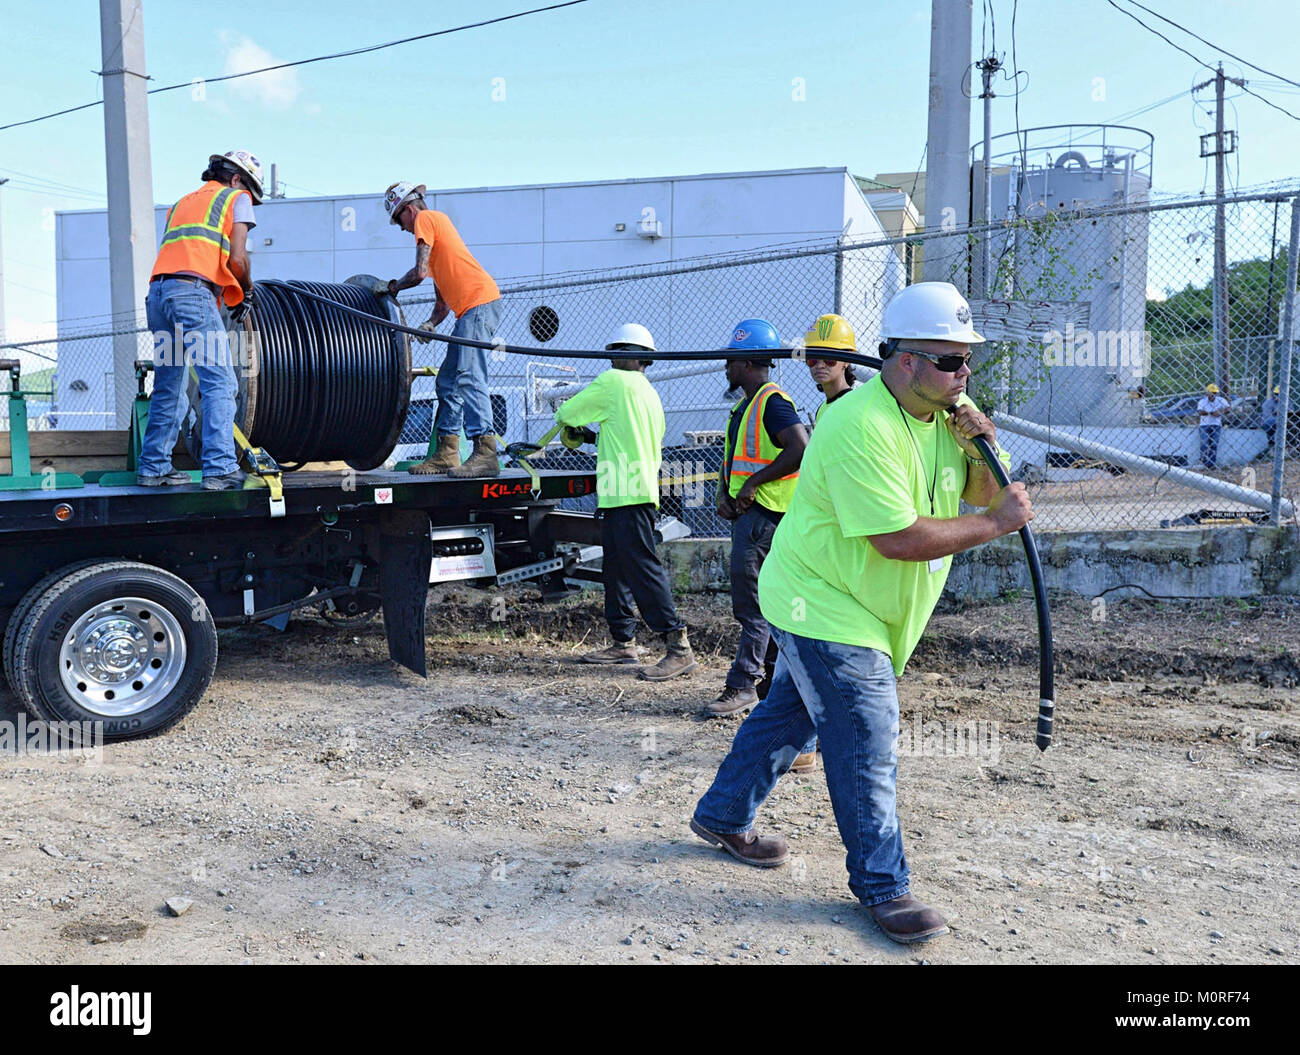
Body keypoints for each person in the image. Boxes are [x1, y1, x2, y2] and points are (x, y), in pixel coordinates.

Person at [688, 281, 1033, 945]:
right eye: (952, 360)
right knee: (864, 730)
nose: (965, 373)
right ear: (906, 361)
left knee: (792, 712)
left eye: (969, 360)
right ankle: (883, 884)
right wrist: (992, 526)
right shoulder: (857, 425)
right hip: (818, 600)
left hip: (865, 606)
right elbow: (897, 538)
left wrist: (981, 442)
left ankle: (723, 813)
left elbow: (984, 488)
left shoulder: (945, 416)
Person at [558, 324, 697, 681]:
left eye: (618, 351)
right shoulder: (649, 393)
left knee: (642, 569)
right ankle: (624, 642)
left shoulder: (612, 382)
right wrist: (594, 435)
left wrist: (577, 427)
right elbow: (630, 436)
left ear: (631, 356)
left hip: (626, 495)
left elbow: (566, 414)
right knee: (616, 570)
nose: (613, 358)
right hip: (637, 492)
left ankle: (678, 646)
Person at [137, 150, 261, 490]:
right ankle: (220, 468)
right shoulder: (236, 197)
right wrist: (246, 291)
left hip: (159, 297)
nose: (249, 195)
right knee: (220, 381)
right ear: (237, 178)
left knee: (170, 386)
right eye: (248, 186)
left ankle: (153, 467)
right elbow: (238, 259)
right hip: (192, 294)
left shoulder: (181, 204)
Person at [709, 319, 807, 719]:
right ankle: (770, 684)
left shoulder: (772, 402)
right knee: (764, 605)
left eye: (731, 360)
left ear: (747, 362)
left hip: (765, 518)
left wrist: (752, 485)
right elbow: (735, 459)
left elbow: (800, 448)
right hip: (751, 516)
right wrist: (725, 493)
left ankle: (743, 684)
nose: (726, 367)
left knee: (753, 608)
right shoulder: (745, 406)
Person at [382, 181, 503, 478]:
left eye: (399, 220)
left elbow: (419, 273)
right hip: (470, 310)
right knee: (448, 381)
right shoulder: (438, 247)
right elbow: (442, 305)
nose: (402, 228)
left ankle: (485, 453)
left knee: (470, 375)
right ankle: (448, 452)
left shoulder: (427, 218)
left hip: (479, 304)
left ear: (409, 210)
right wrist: (430, 324)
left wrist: (392, 288)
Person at [805, 313, 858, 426]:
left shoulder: (855, 406)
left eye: (829, 359)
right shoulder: (822, 409)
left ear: (847, 361)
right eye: (812, 359)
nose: (819, 366)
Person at [1197, 382, 1230, 469]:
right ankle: (1204, 462)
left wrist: (1221, 411)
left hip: (1216, 424)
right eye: (1211, 393)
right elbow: (1200, 412)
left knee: (1214, 444)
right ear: (1207, 393)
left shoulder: (1221, 400)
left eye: (1214, 393)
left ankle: (1211, 464)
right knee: (1205, 444)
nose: (1213, 395)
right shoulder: (1202, 401)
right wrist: (1211, 412)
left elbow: (1228, 408)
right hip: (1204, 425)